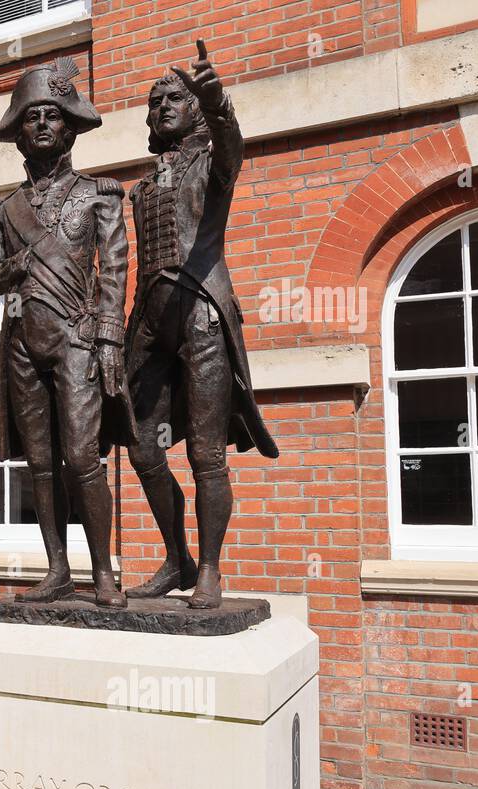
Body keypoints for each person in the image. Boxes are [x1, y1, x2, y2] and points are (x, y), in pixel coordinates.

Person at [124, 41, 279, 609]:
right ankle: (178, 559)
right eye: (155, 102)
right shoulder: (143, 186)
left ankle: (210, 569)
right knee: (142, 449)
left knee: (207, 455)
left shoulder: (214, 164)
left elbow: (232, 146)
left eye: (174, 98)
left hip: (201, 315)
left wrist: (218, 103)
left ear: (194, 109)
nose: (162, 107)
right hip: (149, 323)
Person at [0, 57, 136, 608]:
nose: (43, 124)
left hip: (77, 337)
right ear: (19, 133)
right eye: (32, 117)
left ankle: (103, 573)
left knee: (82, 457)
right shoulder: (4, 210)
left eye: (53, 115)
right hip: (22, 342)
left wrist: (110, 337)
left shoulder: (99, 194)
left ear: (70, 127)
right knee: (40, 462)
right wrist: (15, 265)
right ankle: (57, 570)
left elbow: (114, 270)